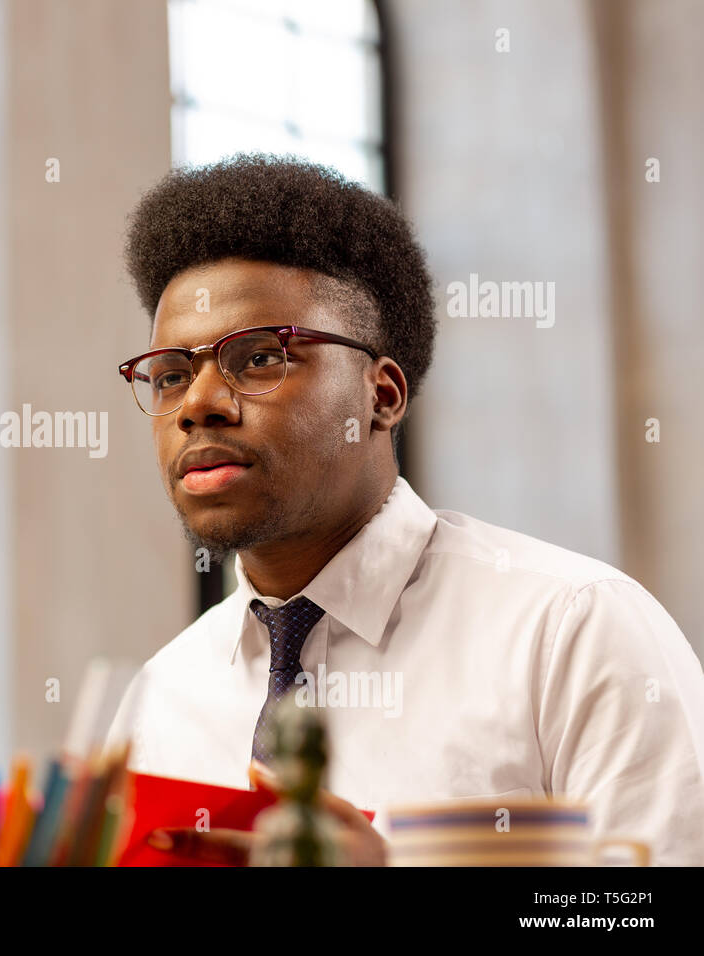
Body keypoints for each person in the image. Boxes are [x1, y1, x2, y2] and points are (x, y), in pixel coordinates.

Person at [107, 154, 704, 866]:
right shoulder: (160, 698)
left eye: (260, 357)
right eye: (171, 375)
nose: (197, 404)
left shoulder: (570, 629)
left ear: (381, 395)